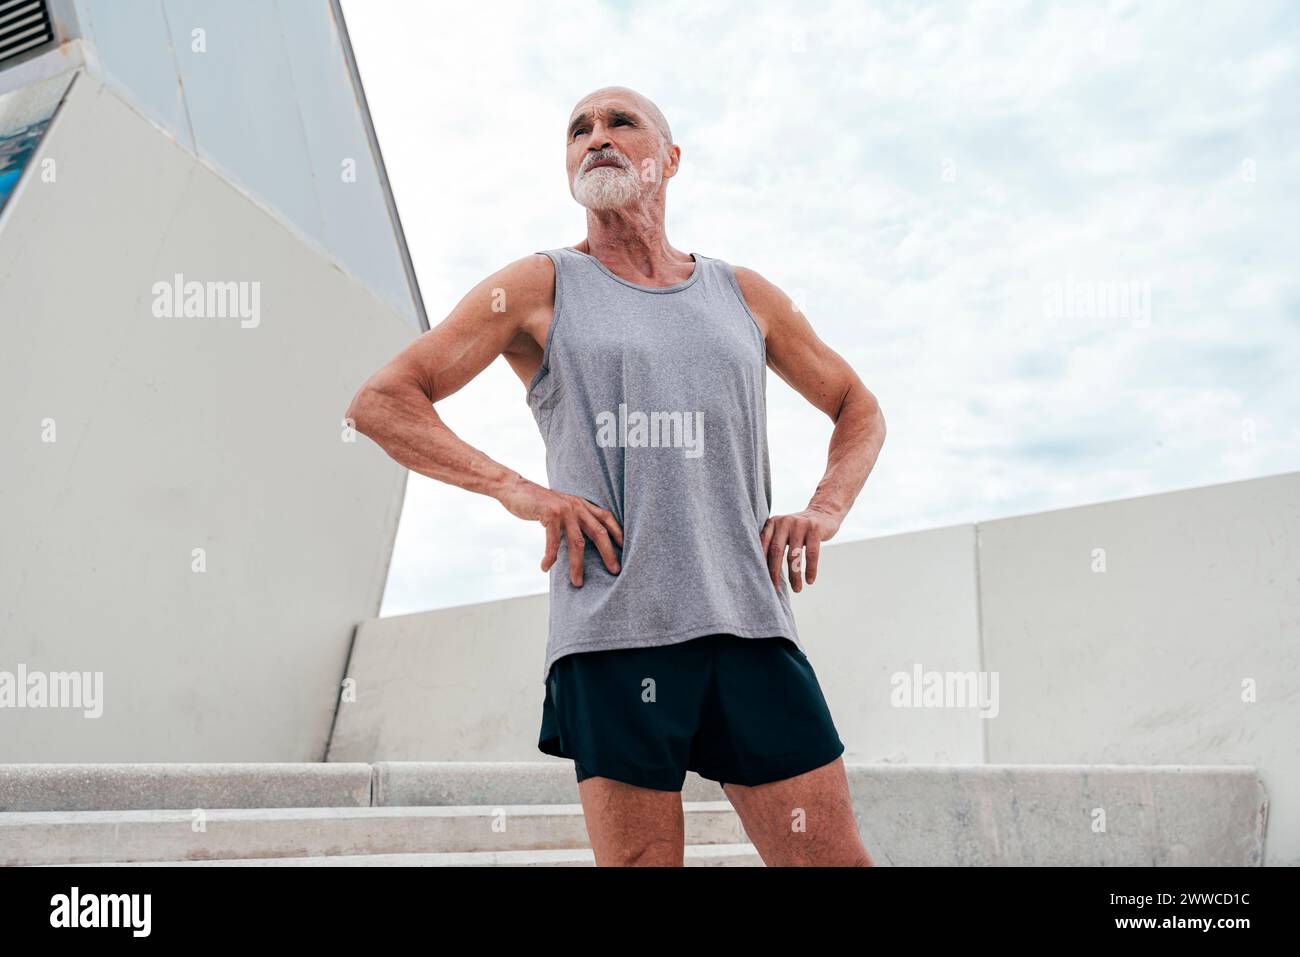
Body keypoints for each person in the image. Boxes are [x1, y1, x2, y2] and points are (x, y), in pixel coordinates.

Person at [346, 86, 886, 866]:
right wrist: (515, 488)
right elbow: (383, 400)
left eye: (619, 122)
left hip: (751, 626)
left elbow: (856, 404)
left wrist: (825, 508)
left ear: (669, 159)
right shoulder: (540, 285)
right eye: (578, 129)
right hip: (612, 637)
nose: (596, 136)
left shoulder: (744, 294)